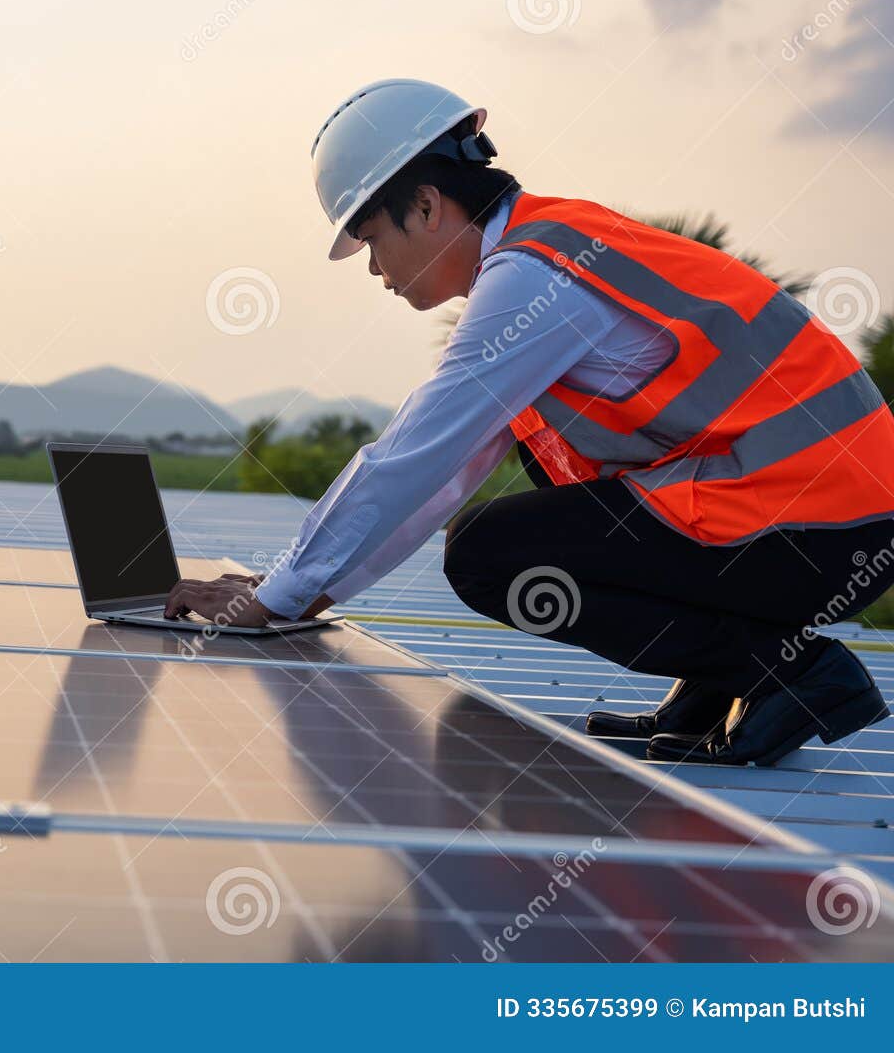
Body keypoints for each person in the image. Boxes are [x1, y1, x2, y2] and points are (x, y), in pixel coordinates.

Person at [164, 77, 894, 767]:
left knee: (488, 553)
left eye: (370, 235)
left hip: (821, 521)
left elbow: (418, 454)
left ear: (424, 205)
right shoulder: (550, 248)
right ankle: (714, 686)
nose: (372, 266)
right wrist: (295, 592)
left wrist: (273, 600)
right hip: (823, 514)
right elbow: (443, 474)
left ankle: (790, 672)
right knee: (542, 483)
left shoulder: (533, 278)